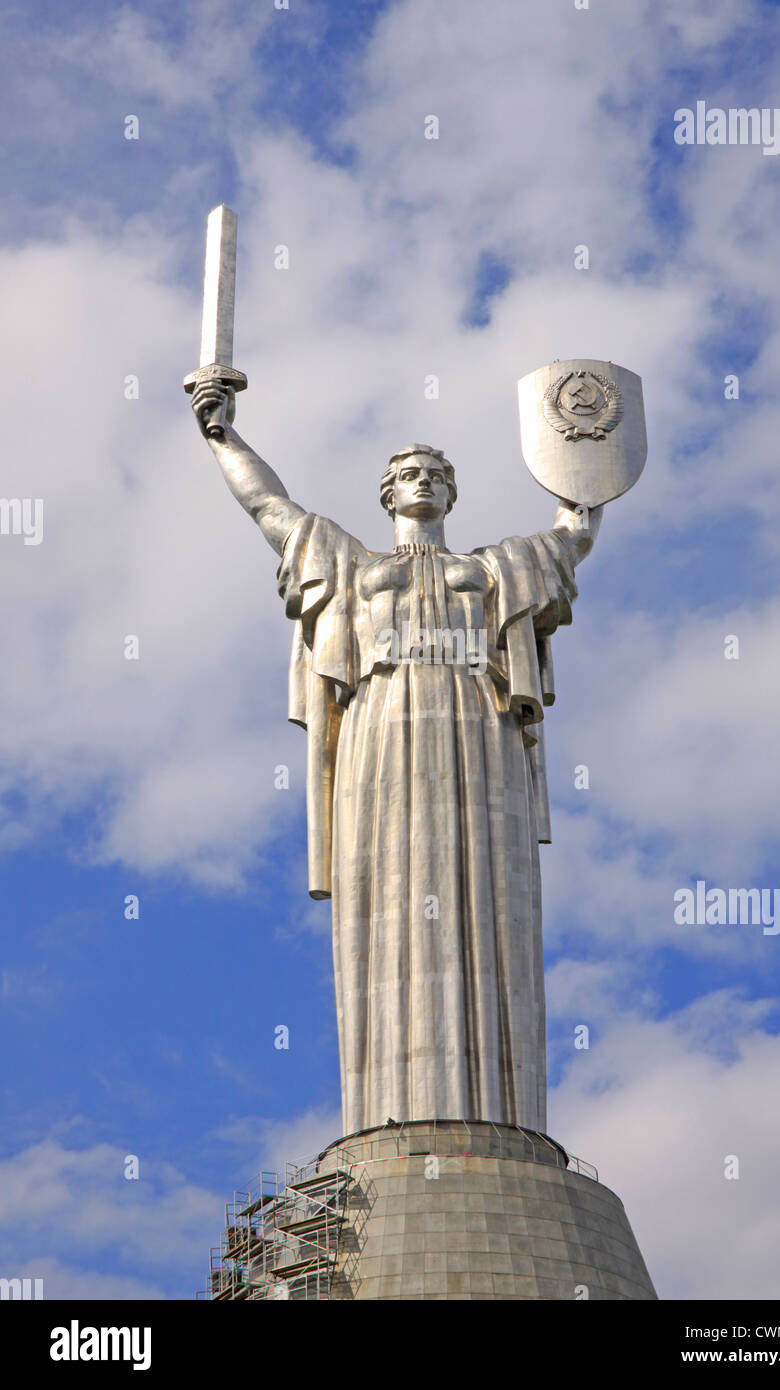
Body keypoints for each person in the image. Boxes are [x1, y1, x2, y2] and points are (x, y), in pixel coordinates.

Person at [190, 380, 602, 1137]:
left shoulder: (496, 566)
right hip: (382, 721)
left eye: (436, 474)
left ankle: (498, 1111)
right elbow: (271, 511)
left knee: (488, 889)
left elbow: (571, 537)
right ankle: (391, 1109)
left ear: (451, 494)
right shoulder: (351, 564)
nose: (423, 480)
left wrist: (588, 467)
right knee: (385, 888)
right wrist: (223, 437)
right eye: (409, 472)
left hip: (478, 723)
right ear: (387, 493)